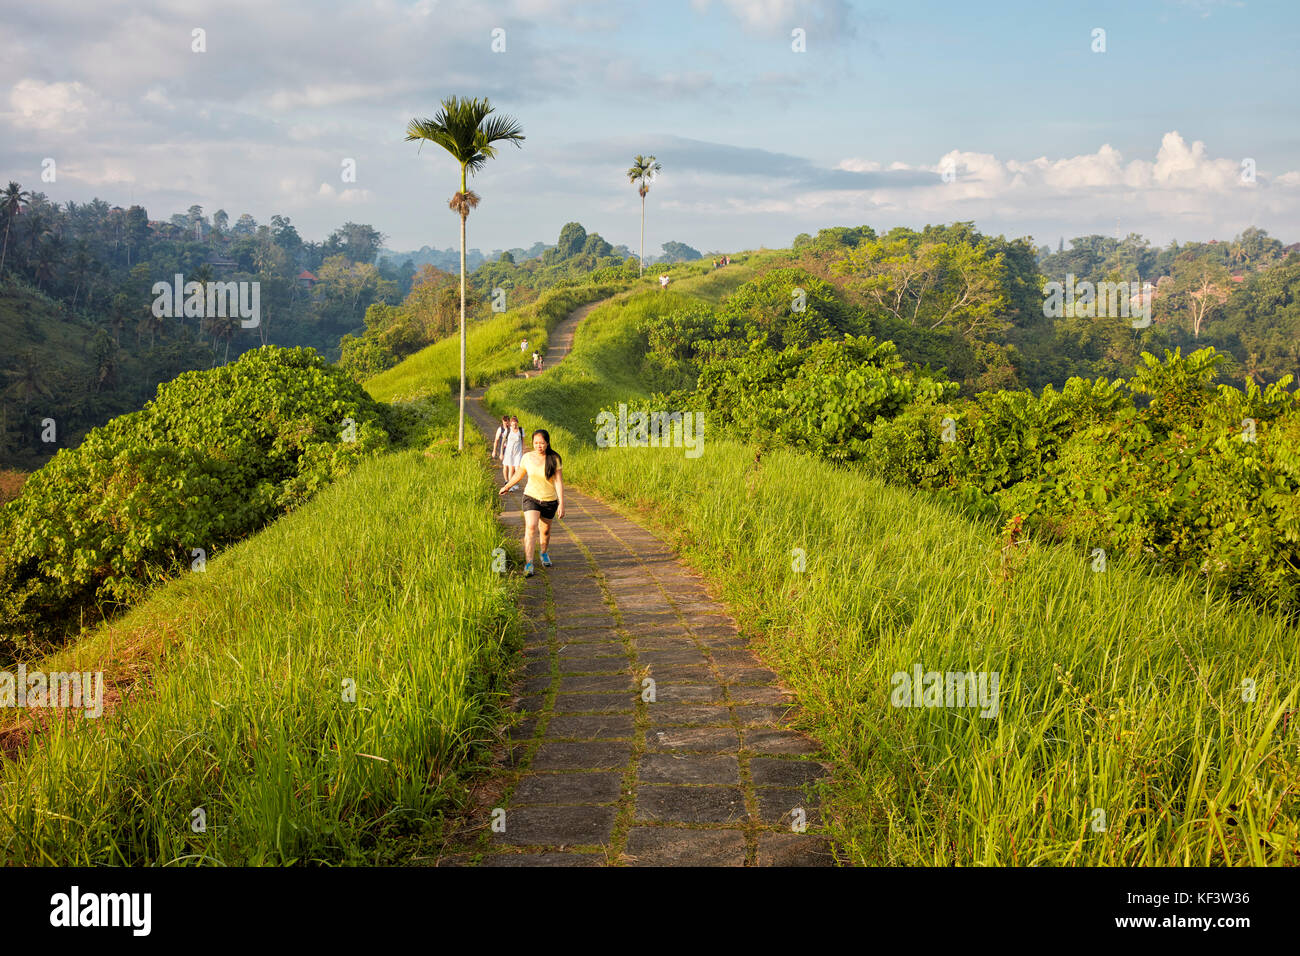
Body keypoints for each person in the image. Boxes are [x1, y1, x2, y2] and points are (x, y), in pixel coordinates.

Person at [500, 429, 564, 577]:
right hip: (531, 497)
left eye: (541, 443)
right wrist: (507, 486)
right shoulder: (527, 457)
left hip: (549, 500)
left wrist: (561, 503)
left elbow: (559, 482)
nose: (538, 446)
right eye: (536, 443)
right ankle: (529, 563)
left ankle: (543, 552)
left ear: (547, 443)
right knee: (531, 527)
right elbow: (519, 474)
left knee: (545, 531)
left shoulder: (554, 458)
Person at [501, 415, 525, 489]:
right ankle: (510, 485)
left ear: (517, 423)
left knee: (518, 469)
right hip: (509, 453)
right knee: (511, 468)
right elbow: (503, 442)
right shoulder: (508, 430)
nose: (514, 425)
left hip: (518, 453)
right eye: (513, 423)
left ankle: (514, 483)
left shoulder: (521, 430)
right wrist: (501, 453)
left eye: (515, 423)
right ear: (510, 423)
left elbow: (522, 442)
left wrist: (523, 451)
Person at [491, 415, 512, 482]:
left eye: (507, 422)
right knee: (505, 466)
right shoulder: (500, 429)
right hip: (504, 449)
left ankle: (511, 481)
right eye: (504, 422)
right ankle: (506, 481)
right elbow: (496, 440)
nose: (506, 424)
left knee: (512, 466)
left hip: (512, 449)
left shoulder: (512, 429)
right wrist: (494, 451)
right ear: (502, 422)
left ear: (509, 421)